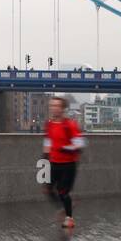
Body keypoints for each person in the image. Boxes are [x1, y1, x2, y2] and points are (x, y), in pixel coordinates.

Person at [42, 96, 85, 229]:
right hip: (53, 163)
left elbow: (80, 145)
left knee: (63, 192)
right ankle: (64, 207)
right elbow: (47, 143)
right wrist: (43, 159)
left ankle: (69, 219)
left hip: (69, 164)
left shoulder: (70, 125)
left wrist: (64, 148)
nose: (54, 108)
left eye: (57, 106)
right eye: (52, 106)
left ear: (63, 109)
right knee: (47, 190)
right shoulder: (49, 125)